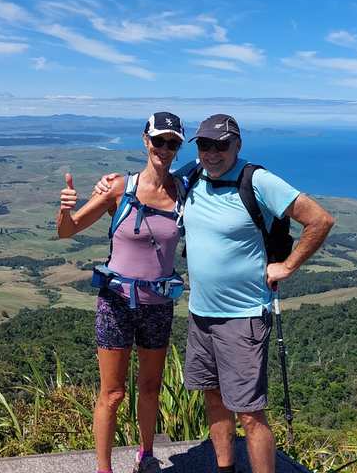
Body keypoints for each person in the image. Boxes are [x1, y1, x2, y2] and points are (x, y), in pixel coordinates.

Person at [95, 114, 334, 473]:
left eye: (221, 145)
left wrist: (287, 266)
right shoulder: (193, 176)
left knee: (251, 414)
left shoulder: (257, 180)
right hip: (201, 315)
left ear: (237, 145)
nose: (212, 153)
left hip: (244, 317)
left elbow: (319, 219)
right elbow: (153, 180)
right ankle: (224, 468)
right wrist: (113, 182)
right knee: (215, 399)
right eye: (205, 145)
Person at [57, 112, 187, 473]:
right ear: (145, 140)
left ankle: (145, 454)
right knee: (112, 394)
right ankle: (104, 468)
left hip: (158, 304)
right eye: (158, 140)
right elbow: (69, 231)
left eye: (172, 142)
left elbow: (219, 168)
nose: (164, 148)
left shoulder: (183, 193)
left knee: (150, 388)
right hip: (115, 302)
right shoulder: (119, 188)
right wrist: (65, 208)